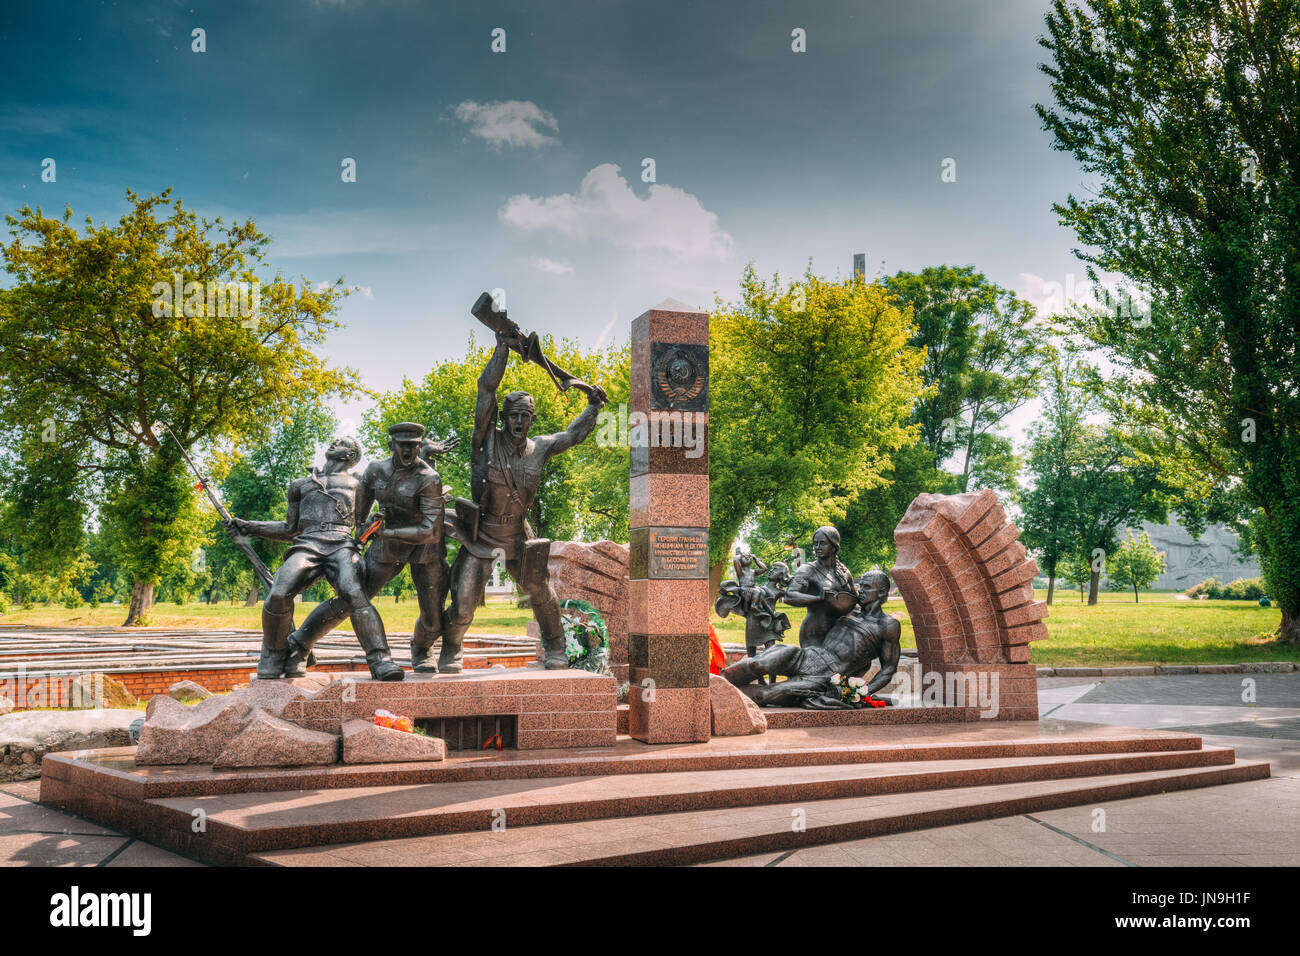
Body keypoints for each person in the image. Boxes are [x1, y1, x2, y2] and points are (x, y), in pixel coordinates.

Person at [440, 327, 609, 671]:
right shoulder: (485, 439)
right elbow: (485, 389)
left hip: (518, 534)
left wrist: (593, 406)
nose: (519, 421)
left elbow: (574, 435)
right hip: (482, 535)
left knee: (540, 591)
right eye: (513, 415)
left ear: (532, 419)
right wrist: (502, 347)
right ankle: (451, 648)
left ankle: (556, 646)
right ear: (502, 418)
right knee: (463, 604)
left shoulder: (541, 448)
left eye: (525, 416)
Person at [228, 437, 404, 681]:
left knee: (354, 594)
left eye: (342, 443)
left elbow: (371, 515)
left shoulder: (359, 482)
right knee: (278, 593)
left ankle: (381, 660)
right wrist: (249, 526)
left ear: (351, 456)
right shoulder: (300, 484)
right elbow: (290, 529)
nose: (334, 443)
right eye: (335, 441)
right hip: (307, 544)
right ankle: (274, 653)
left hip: (342, 545)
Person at [282, 423, 449, 676]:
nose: (407, 452)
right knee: (352, 598)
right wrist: (362, 528)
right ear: (391, 446)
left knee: (433, 616)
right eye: (402, 446)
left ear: (419, 447)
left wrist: (383, 531)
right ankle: (300, 643)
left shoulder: (429, 478)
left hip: (425, 547)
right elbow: (363, 498)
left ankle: (422, 647)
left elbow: (431, 531)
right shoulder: (375, 470)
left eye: (413, 447)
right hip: (386, 547)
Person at [721, 570, 901, 708]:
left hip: (825, 675)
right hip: (807, 655)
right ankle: (714, 684)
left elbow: (889, 668)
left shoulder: (887, 625)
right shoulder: (849, 609)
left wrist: (863, 692)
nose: (861, 591)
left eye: (867, 587)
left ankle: (718, 698)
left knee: (765, 695)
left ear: (881, 592)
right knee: (757, 664)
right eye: (861, 585)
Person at [783, 526, 857, 648]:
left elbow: (855, 599)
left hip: (840, 635)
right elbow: (789, 595)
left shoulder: (844, 572)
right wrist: (818, 598)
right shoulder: (807, 570)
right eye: (815, 544)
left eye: (822, 543)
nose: (817, 547)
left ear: (834, 546)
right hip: (814, 634)